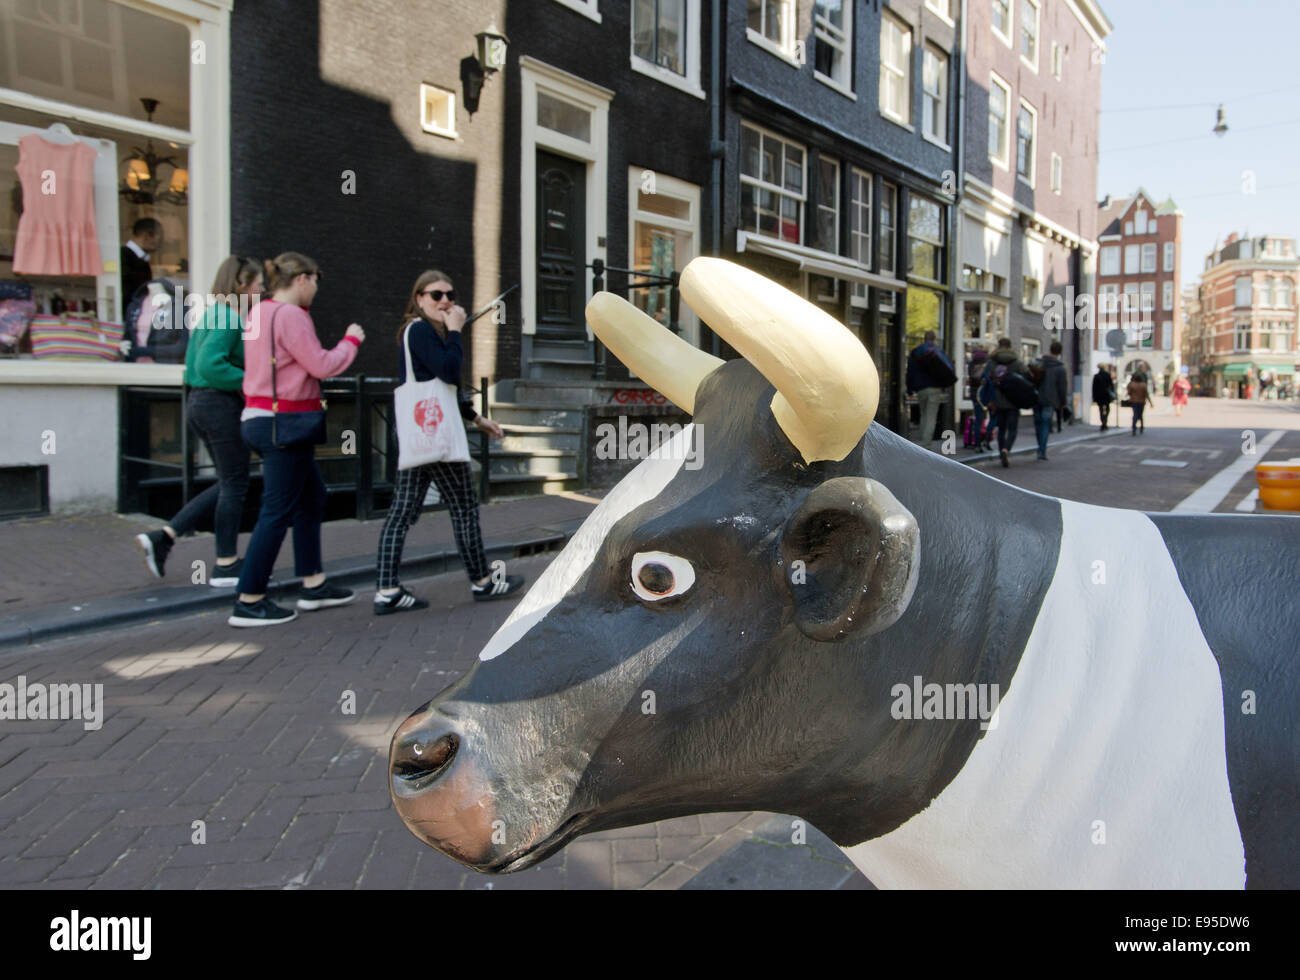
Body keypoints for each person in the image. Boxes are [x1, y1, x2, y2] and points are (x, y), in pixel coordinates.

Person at [374, 270, 524, 613]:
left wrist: (476, 418)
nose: (446, 301)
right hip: (437, 439)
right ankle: (483, 582)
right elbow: (450, 372)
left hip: (421, 435)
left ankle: (386, 589)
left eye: (450, 295)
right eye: (436, 295)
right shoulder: (423, 330)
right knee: (463, 507)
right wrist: (456, 331)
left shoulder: (420, 332)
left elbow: (443, 391)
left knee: (402, 510)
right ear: (419, 299)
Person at [229, 253, 364, 627]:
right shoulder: (291, 316)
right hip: (284, 423)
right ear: (302, 279)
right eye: (316, 281)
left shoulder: (258, 312)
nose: (317, 290)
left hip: (259, 417)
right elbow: (322, 364)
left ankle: (313, 583)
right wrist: (351, 340)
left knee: (311, 497)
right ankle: (249, 598)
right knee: (276, 510)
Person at [136, 256, 262, 587]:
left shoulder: (212, 314)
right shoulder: (228, 317)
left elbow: (195, 366)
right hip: (218, 404)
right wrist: (252, 380)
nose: (262, 291)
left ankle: (165, 536)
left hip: (200, 402)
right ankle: (224, 564)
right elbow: (210, 366)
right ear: (241, 285)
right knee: (236, 482)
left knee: (230, 479)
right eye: (259, 284)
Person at [905, 330, 954, 450]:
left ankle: (922, 441)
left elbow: (910, 371)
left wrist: (909, 388)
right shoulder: (939, 352)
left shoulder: (916, 351)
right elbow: (947, 369)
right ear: (934, 339)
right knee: (931, 416)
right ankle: (926, 445)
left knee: (923, 414)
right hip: (935, 388)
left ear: (924, 339)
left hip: (921, 389)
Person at [987, 337, 1029, 467]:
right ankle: (1006, 449)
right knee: (1012, 429)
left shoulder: (993, 361)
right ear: (1010, 346)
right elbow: (1027, 375)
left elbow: (986, 378)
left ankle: (1001, 452)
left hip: (998, 400)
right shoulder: (1016, 361)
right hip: (1013, 400)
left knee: (1001, 428)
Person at [1033, 340, 1068, 461]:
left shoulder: (1039, 363)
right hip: (1049, 400)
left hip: (1036, 398)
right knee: (1045, 425)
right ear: (1059, 352)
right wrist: (1063, 403)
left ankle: (1039, 446)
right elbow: (1062, 387)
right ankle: (1041, 450)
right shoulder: (1060, 368)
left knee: (1038, 424)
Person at [120, 217, 161, 302]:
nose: (159, 242)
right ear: (145, 235)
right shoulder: (124, 257)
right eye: (158, 236)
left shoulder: (140, 258)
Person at [968, 347, 991, 452]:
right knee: (990, 418)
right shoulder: (987, 363)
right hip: (985, 394)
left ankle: (977, 444)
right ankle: (986, 441)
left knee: (978, 419)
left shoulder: (972, 363)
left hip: (974, 394)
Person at [1126, 370, 1154, 436]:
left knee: (1135, 414)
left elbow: (1128, 393)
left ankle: (1134, 428)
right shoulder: (1143, 385)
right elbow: (1146, 394)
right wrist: (1150, 403)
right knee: (1140, 415)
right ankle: (1141, 427)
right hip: (1141, 401)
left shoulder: (1131, 384)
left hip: (1133, 401)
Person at [1092, 365, 1115, 432]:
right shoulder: (1107, 375)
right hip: (1106, 395)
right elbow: (1111, 385)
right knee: (1107, 408)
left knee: (1101, 409)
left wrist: (1094, 396)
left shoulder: (1096, 376)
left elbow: (1094, 388)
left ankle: (1103, 422)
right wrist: (1112, 393)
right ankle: (1105, 421)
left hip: (1099, 396)